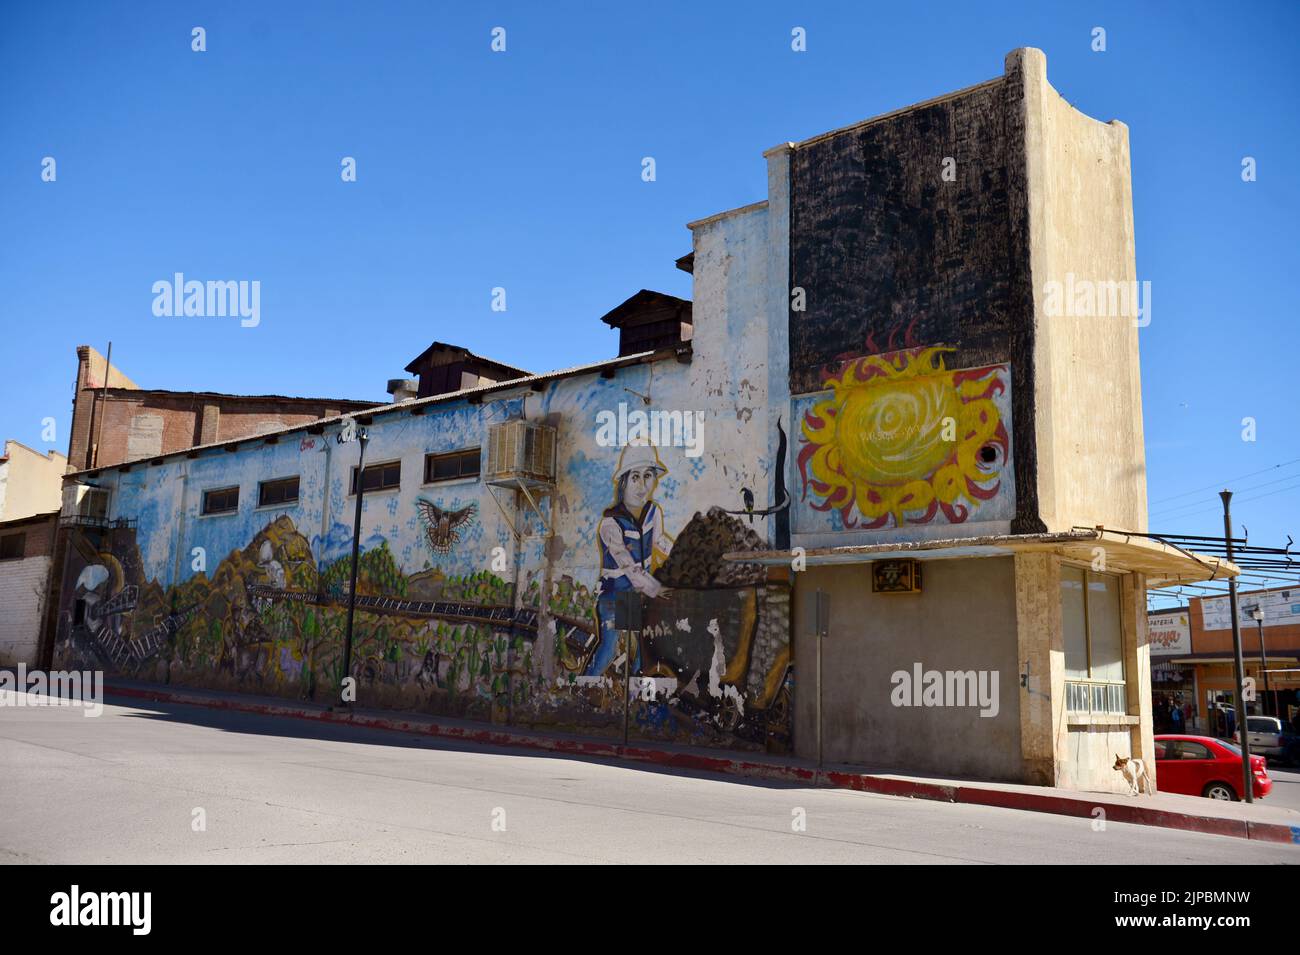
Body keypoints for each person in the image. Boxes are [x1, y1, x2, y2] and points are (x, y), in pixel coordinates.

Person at [586, 443, 674, 677]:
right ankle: (584, 689)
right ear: (623, 481)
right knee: (609, 649)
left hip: (636, 595)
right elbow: (628, 566)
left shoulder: (652, 513)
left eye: (648, 476)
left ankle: (634, 695)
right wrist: (656, 588)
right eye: (635, 477)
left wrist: (683, 554)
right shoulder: (610, 524)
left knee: (646, 648)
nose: (642, 485)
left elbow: (660, 542)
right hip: (614, 595)